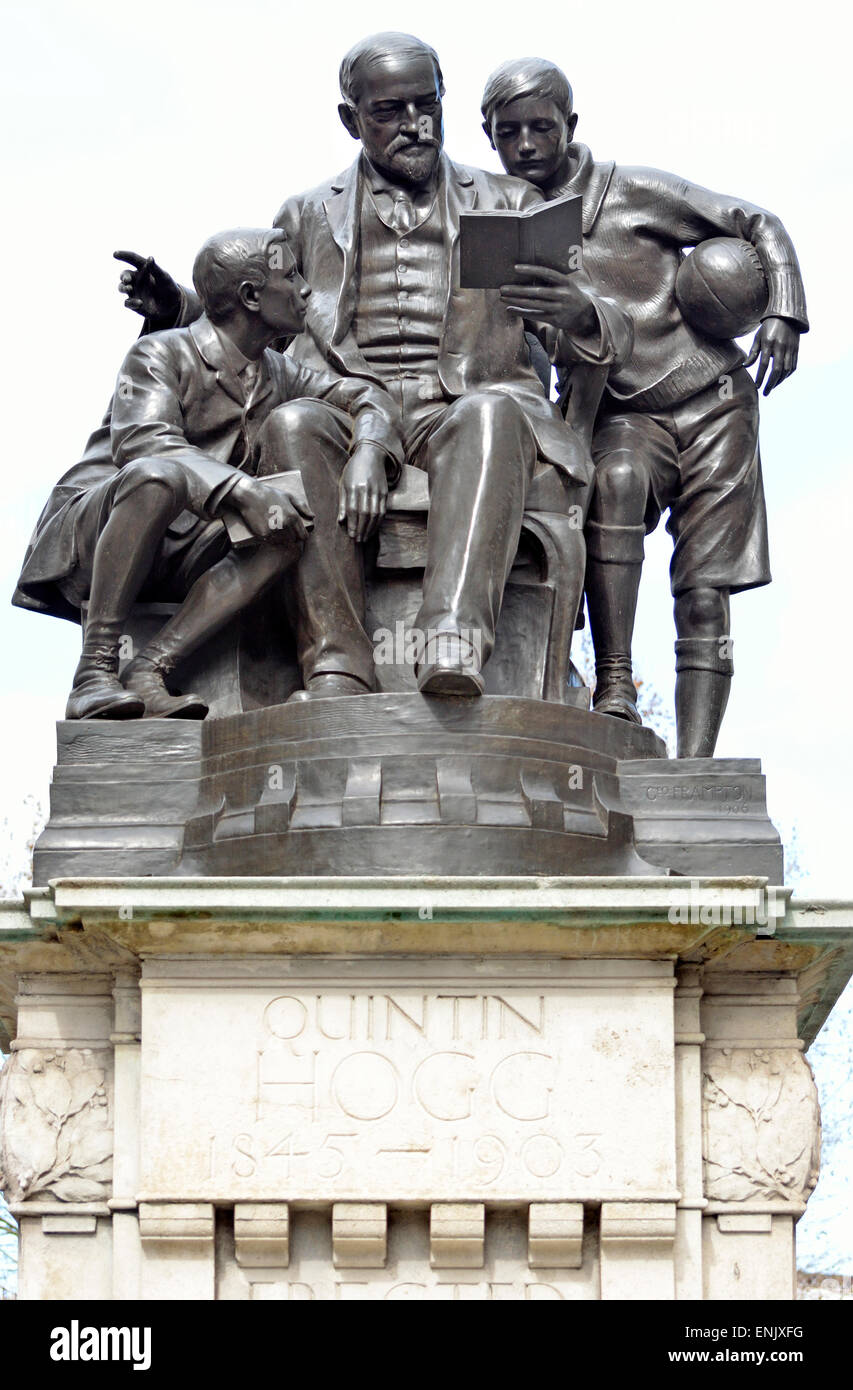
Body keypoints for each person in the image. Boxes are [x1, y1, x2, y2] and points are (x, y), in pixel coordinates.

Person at [115, 32, 633, 699]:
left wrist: (577, 311)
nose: (415, 125)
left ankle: (452, 639)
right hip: (345, 405)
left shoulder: (510, 203)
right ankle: (337, 664)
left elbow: (609, 333)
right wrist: (179, 307)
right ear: (351, 118)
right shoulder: (305, 214)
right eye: (390, 111)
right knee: (293, 424)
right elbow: (257, 311)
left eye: (427, 105)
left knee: (492, 411)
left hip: (462, 406)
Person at [481, 57, 808, 755]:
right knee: (616, 484)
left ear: (570, 126)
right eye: (510, 133)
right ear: (489, 137)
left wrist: (784, 308)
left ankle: (696, 765)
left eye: (542, 127)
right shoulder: (500, 229)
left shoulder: (632, 192)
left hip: (713, 403)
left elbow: (755, 220)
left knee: (701, 593)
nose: (528, 145)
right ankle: (616, 687)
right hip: (622, 410)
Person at [14, 227, 403, 718]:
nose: (306, 289)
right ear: (250, 297)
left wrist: (368, 448)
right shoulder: (161, 353)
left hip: (192, 535)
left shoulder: (278, 372)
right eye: (292, 276)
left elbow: (368, 395)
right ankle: (94, 672)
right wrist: (241, 489)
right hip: (107, 524)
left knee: (287, 527)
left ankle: (150, 668)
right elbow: (144, 442)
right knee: (160, 475)